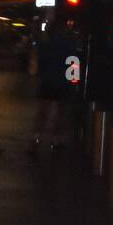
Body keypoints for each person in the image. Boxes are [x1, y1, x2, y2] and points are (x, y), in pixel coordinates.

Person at [28, 18, 78, 155]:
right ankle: (56, 140)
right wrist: (74, 81)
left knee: (42, 111)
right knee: (61, 113)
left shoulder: (45, 44)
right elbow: (73, 62)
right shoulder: (69, 43)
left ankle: (36, 137)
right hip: (63, 82)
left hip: (47, 81)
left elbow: (38, 64)